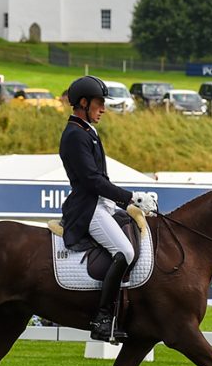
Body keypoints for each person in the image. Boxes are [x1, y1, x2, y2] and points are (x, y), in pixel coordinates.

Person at [59, 76, 157, 342]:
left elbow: (101, 179)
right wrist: (130, 197)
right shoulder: (74, 135)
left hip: (101, 203)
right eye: (100, 103)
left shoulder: (88, 131)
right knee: (124, 251)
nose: (103, 108)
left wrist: (126, 202)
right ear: (83, 102)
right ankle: (103, 318)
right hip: (88, 207)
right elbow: (92, 181)